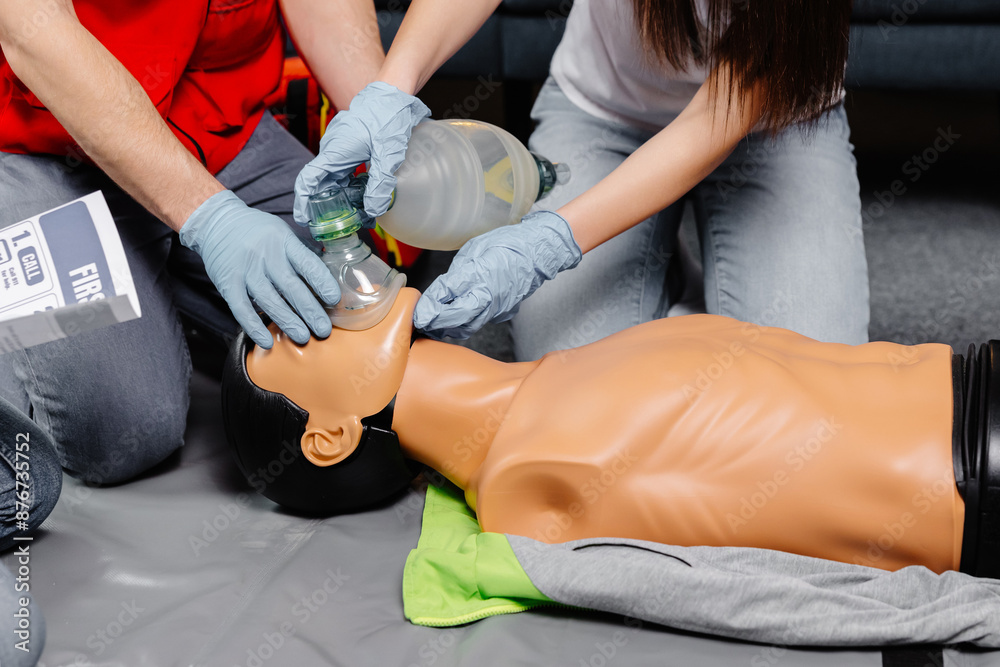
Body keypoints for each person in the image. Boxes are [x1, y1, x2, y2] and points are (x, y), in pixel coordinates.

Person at [222, 287, 1000, 578]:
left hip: (966, 371)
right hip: (972, 476)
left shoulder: (550, 380)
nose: (308, 306)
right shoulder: (529, 491)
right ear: (329, 436)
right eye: (287, 339)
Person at [297, 0, 868, 358]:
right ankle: (657, 261)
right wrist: (390, 91)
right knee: (569, 378)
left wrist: (551, 243)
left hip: (771, 125)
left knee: (813, 377)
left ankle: (648, 251)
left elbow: (711, 124)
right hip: (604, 113)